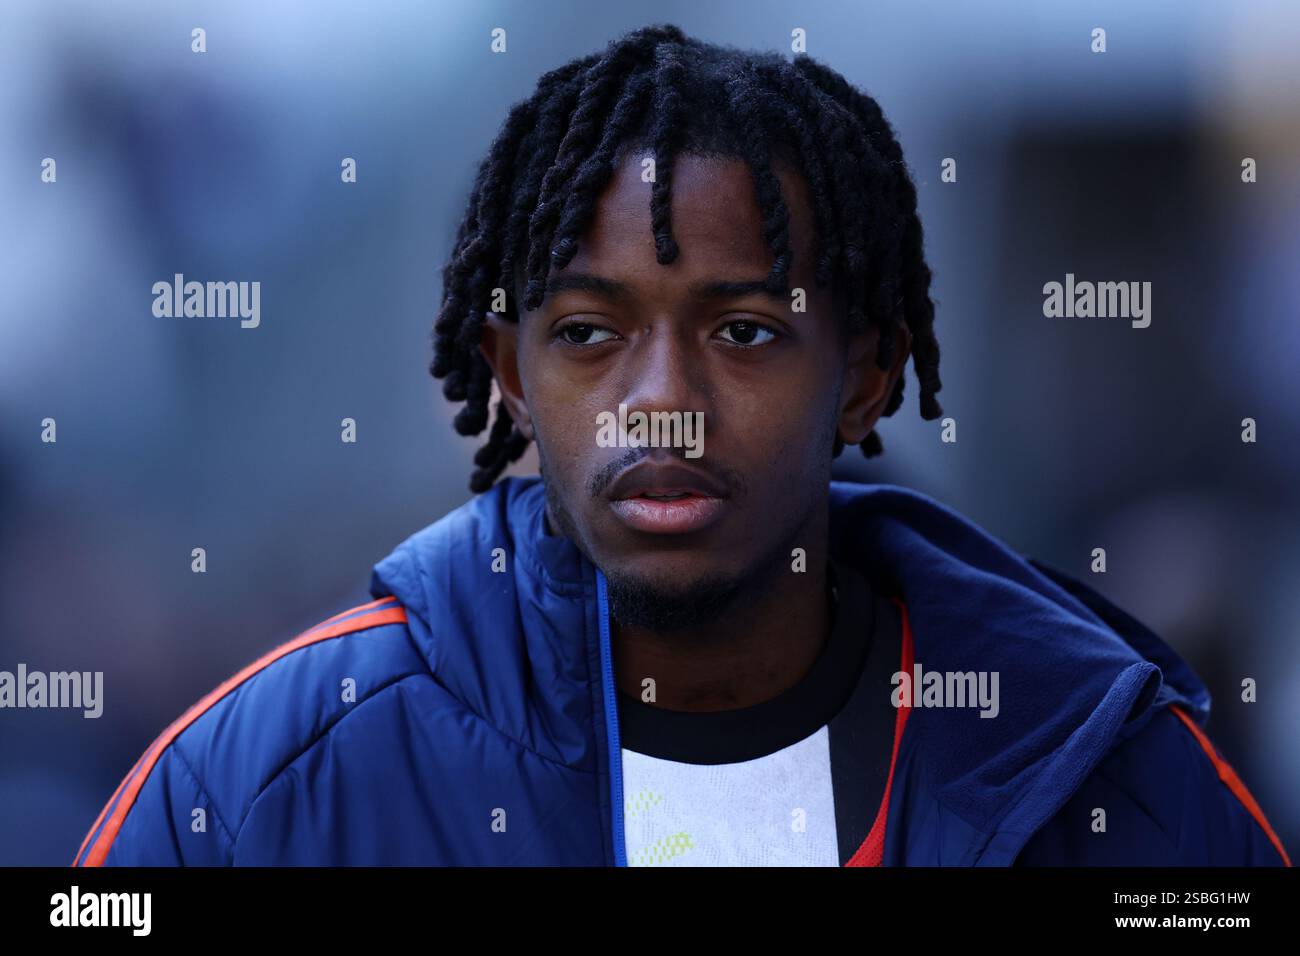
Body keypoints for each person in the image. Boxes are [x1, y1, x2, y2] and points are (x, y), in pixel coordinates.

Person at [74, 24, 1289, 867]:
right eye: (592, 332)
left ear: (864, 377)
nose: (661, 399)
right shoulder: (250, 794)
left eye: (745, 328)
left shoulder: (1110, 774)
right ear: (509, 377)